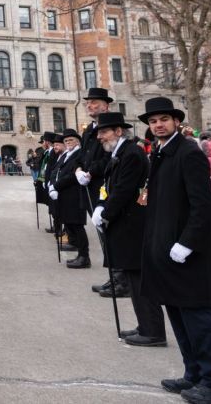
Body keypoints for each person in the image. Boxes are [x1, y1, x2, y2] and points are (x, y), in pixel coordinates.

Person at [138, 97, 211, 404]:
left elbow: (203, 204)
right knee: (178, 316)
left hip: (187, 253)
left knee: (198, 319)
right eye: (153, 121)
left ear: (176, 121)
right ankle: (194, 373)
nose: (158, 125)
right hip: (166, 251)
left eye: (164, 119)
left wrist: (187, 242)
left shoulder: (188, 152)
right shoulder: (162, 153)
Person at [91, 111, 166, 347]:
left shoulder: (131, 154)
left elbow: (124, 190)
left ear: (118, 131)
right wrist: (102, 206)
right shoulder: (120, 152)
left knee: (140, 279)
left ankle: (153, 330)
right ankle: (145, 325)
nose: (100, 137)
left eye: (104, 132)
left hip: (133, 225)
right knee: (134, 280)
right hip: (126, 223)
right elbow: (111, 186)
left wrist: (105, 213)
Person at [79, 88, 117, 291]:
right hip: (89, 186)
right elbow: (83, 154)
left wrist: (90, 172)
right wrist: (78, 169)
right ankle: (114, 274)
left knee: (110, 232)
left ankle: (120, 277)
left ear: (106, 106)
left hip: (104, 184)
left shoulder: (110, 128)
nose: (90, 106)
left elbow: (108, 157)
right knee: (102, 233)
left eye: (94, 102)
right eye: (88, 103)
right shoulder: (89, 129)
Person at [51, 128, 90, 269]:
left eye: (71, 140)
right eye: (66, 140)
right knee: (69, 223)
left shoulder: (79, 153)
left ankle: (84, 256)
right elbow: (58, 170)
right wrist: (52, 185)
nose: (68, 142)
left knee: (77, 225)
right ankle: (77, 249)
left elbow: (73, 175)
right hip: (64, 194)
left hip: (75, 194)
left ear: (78, 141)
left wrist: (57, 185)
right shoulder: (66, 154)